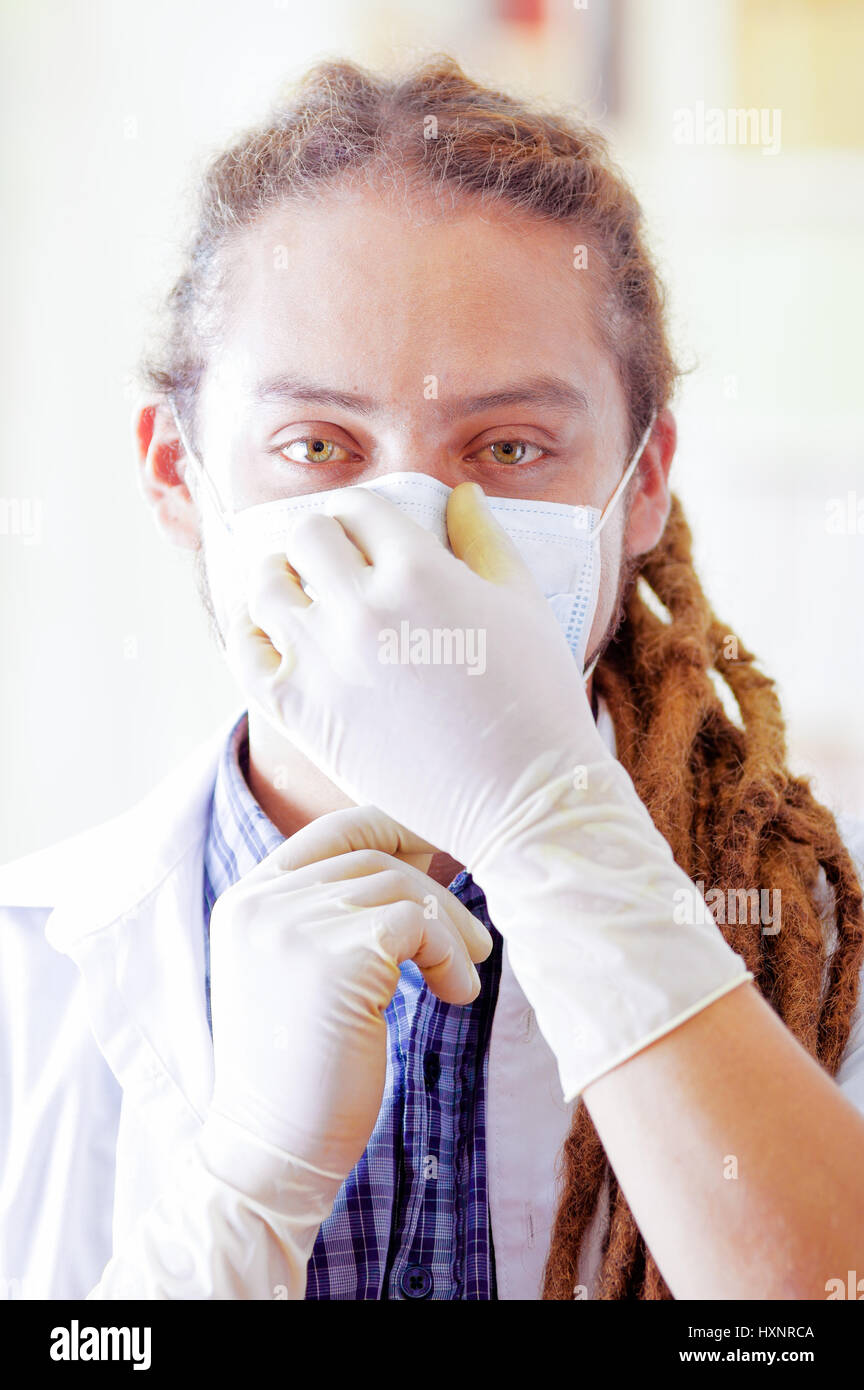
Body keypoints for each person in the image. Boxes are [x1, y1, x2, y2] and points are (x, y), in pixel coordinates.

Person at [2, 55, 864, 1303]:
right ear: (178, 474)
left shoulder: (819, 948)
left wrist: (548, 827)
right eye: (317, 445)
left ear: (648, 479)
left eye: (509, 446)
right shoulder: (27, 982)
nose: (410, 530)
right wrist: (244, 1188)